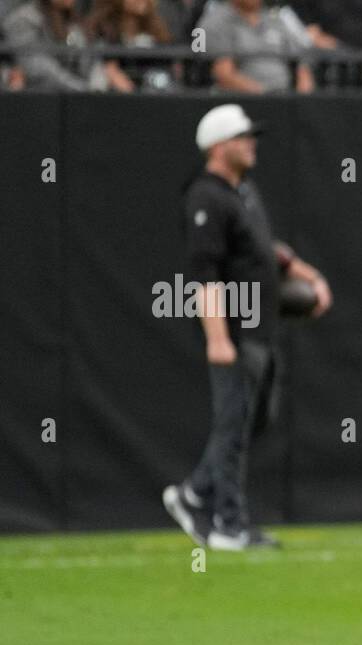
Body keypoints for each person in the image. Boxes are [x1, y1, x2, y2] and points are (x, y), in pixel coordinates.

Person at [163, 104, 332, 551]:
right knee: (233, 425)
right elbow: (205, 275)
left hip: (261, 327)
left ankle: (194, 493)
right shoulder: (205, 197)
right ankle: (227, 524)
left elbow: (261, 246)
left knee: (251, 421)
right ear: (218, 147)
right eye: (242, 137)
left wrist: (302, 271)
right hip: (235, 328)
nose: (251, 144)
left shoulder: (243, 191)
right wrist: (218, 338)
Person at [196, 0, 315, 93]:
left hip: (283, 98)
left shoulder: (276, 18)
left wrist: (302, 93)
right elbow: (223, 74)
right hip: (239, 101)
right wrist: (262, 94)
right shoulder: (216, 21)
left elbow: (302, 58)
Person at [84, 0, 175, 92]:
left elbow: (168, 66)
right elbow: (110, 68)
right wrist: (134, 95)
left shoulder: (157, 29)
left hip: (155, 92)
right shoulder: (106, 28)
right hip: (117, 95)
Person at [3, 0, 92, 90]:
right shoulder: (23, 19)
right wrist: (82, 88)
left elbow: (85, 57)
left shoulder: (71, 19)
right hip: (37, 97)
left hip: (76, 94)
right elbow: (38, 67)